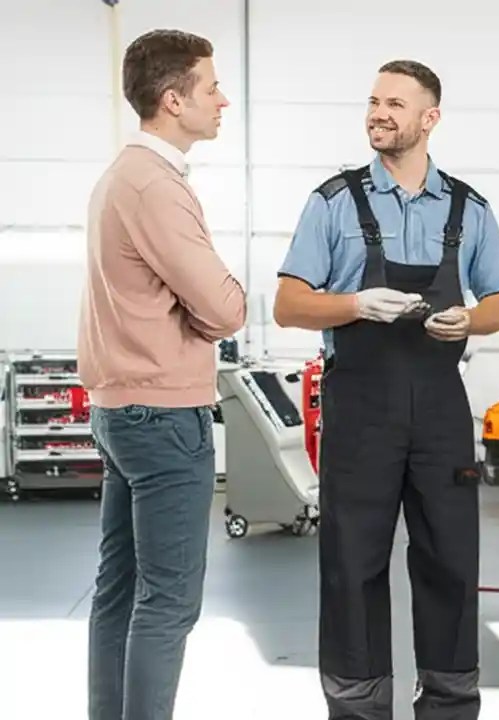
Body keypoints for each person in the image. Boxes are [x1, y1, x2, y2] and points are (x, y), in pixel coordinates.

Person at [273, 59, 499, 719]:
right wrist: (354, 305)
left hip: (441, 407)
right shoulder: (333, 201)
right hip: (361, 405)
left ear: (429, 118)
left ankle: (449, 702)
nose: (379, 113)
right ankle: (357, 708)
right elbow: (288, 305)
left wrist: (468, 318)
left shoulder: (469, 207)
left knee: (449, 559)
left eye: (395, 104)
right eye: (374, 101)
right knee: (353, 563)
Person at [77, 29, 243, 720]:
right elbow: (225, 307)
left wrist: (193, 311)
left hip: (120, 413)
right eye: (210, 88)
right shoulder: (155, 187)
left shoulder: (121, 176)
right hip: (163, 417)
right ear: (174, 100)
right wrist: (205, 318)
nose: (222, 99)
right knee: (169, 602)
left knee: (119, 590)